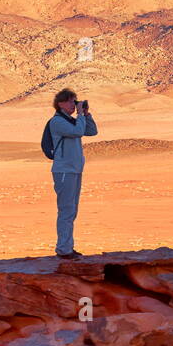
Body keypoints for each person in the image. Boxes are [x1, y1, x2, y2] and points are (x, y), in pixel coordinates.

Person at [48, 88, 97, 257]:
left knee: (71, 211)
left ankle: (67, 247)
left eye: (74, 100)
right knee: (66, 211)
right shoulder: (57, 122)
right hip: (64, 171)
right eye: (70, 101)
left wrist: (86, 114)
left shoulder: (72, 121)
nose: (73, 104)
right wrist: (80, 116)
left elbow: (91, 131)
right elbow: (77, 131)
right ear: (60, 104)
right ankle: (63, 249)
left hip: (74, 170)